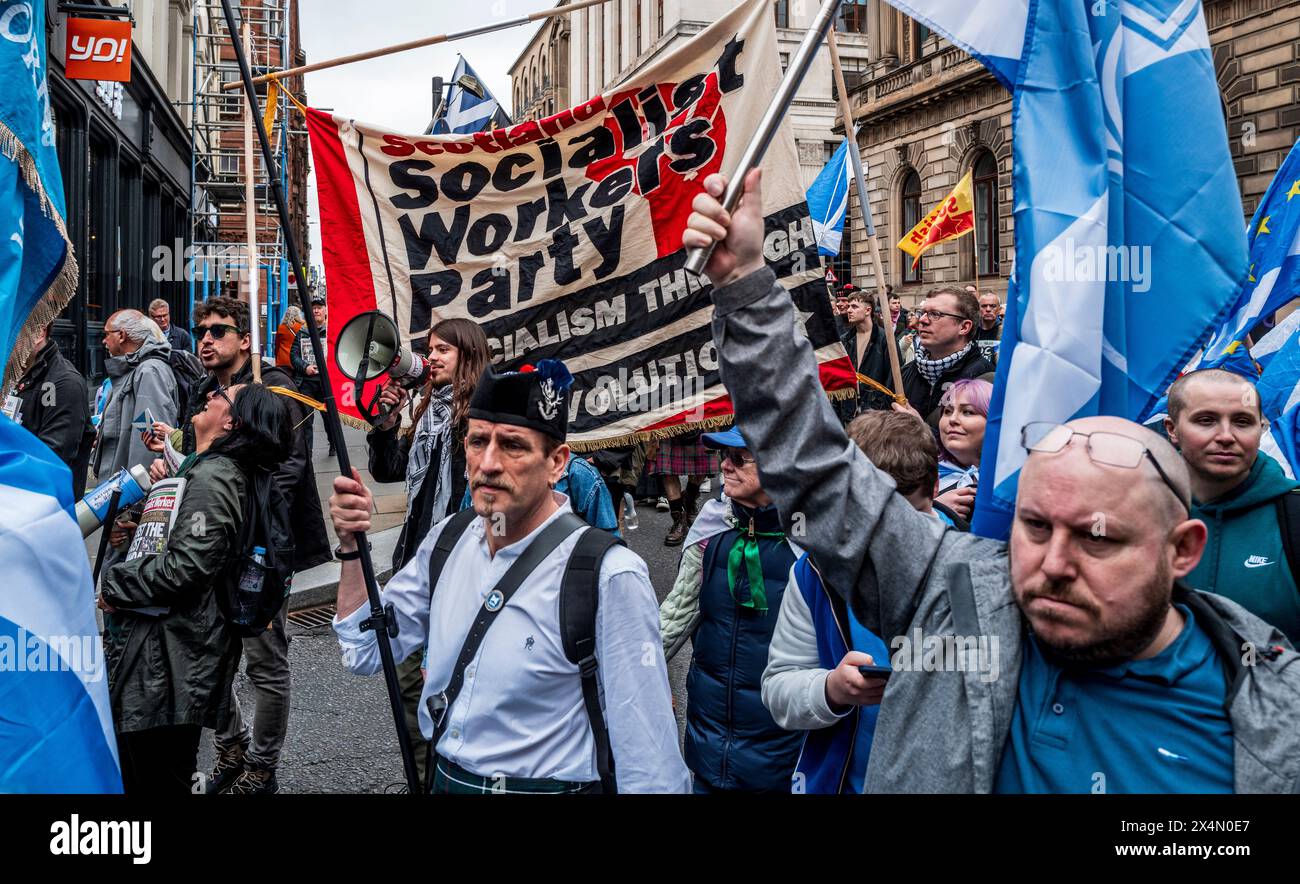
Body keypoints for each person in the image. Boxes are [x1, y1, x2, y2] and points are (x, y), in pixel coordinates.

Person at [684, 168, 1300, 793]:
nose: (1052, 563)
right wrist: (743, 284)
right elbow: (813, 467)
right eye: (1035, 526)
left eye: (1098, 538)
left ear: (1183, 550)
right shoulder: (956, 597)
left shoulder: (1271, 709)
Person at [329, 359, 688, 793]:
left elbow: (650, 759)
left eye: (513, 446)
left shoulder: (609, 575)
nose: (488, 463)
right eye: (478, 441)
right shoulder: (448, 541)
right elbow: (366, 648)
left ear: (557, 462)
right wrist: (352, 544)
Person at [100, 383, 293, 795]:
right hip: (170, 655)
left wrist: (116, 586)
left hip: (170, 660)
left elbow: (187, 567)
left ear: (231, 421)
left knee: (153, 775)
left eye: (224, 394)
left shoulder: (216, 475)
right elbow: (192, 545)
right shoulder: (205, 468)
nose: (212, 394)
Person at [174, 295, 330, 795]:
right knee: (211, 653)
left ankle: (262, 768)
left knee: (264, 659)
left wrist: (245, 519)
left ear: (246, 340)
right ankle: (232, 749)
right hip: (211, 542)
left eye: (218, 331)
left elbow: (288, 467)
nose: (206, 340)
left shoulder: (276, 387)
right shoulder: (203, 390)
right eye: (201, 331)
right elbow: (198, 453)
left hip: (258, 548)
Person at [762, 409, 957, 794]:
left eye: (909, 519)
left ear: (934, 487)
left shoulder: (976, 565)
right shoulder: (815, 574)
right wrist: (832, 689)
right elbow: (778, 688)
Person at [366, 317, 491, 784]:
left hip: (463, 564)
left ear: (469, 356)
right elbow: (389, 471)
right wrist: (385, 423)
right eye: (429, 349)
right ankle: (424, 776)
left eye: (443, 350)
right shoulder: (429, 411)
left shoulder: (478, 415)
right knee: (407, 681)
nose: (431, 357)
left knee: (451, 684)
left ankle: (452, 775)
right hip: (417, 561)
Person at [658, 426, 803, 792]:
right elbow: (674, 617)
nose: (725, 465)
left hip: (786, 753)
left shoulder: (815, 542)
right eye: (723, 456)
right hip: (708, 746)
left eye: (738, 458)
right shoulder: (711, 528)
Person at [1165, 368, 1300, 645]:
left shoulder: (1294, 515)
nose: (1226, 435)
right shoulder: (1138, 511)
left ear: (1261, 429)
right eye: (1206, 420)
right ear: (1172, 429)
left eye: (1242, 421)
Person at [7, 319, 94, 498]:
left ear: (39, 333)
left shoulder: (64, 383)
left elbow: (52, 456)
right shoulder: (15, 374)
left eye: (12, 332)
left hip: (44, 505)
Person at [93, 309, 178, 480]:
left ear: (122, 335)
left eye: (107, 334)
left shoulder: (148, 371)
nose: (104, 340)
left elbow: (148, 442)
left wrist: (138, 490)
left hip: (130, 492)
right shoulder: (137, 370)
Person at [901, 286, 994, 427]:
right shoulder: (904, 373)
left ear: (964, 327)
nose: (923, 320)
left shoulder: (984, 379)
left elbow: (982, 442)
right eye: (922, 313)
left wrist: (922, 431)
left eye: (935, 314)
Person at [931, 378, 992, 523]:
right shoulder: (920, 474)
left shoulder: (1008, 483)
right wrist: (936, 511)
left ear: (993, 421)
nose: (952, 419)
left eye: (968, 412)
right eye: (947, 411)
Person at [835, 289, 894, 421]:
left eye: (854, 306)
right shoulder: (845, 340)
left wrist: (881, 411)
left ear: (868, 310)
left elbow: (892, 379)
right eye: (849, 306)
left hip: (874, 415)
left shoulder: (885, 339)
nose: (849, 310)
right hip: (848, 414)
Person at [650, 434, 716, 546]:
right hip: (667, 424)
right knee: (667, 472)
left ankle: (689, 503)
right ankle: (678, 522)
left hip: (699, 421)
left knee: (701, 468)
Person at [291, 292, 333, 457]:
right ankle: (307, 452)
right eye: (313, 308)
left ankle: (334, 444)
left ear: (325, 311)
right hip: (306, 383)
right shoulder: (302, 332)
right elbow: (293, 356)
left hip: (325, 383)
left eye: (319, 308)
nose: (316, 311)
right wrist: (305, 367)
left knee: (329, 419)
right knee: (306, 420)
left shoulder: (331, 332)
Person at [974, 291, 1002, 364]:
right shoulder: (970, 331)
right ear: (978, 309)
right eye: (984, 306)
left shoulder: (1006, 332)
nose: (988, 309)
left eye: (993, 306)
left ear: (999, 310)